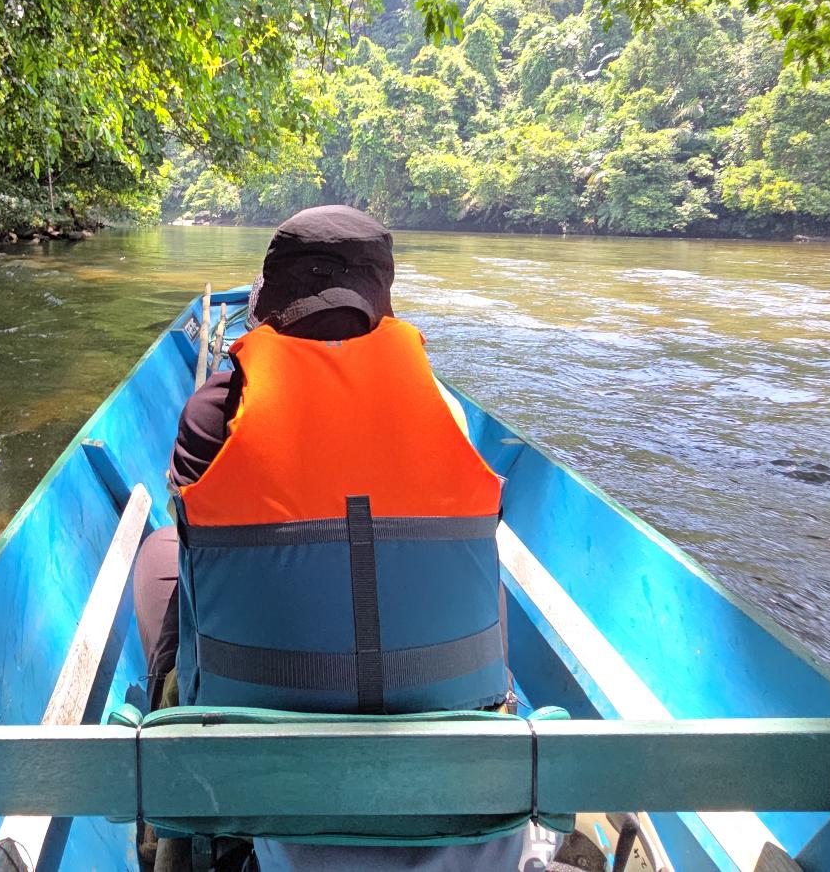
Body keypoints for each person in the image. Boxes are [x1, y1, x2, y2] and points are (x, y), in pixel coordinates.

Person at [130, 206, 545, 871]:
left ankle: (173, 821)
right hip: (441, 729)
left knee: (161, 553)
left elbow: (197, 543)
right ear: (382, 300)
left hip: (257, 739)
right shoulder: (447, 410)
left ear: (270, 299)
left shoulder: (216, 407)